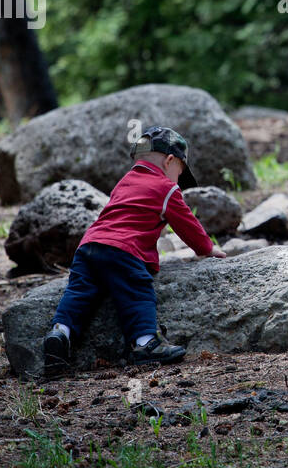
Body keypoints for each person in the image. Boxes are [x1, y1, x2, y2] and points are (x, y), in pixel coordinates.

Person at [40, 125, 225, 375]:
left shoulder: (124, 182)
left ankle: (60, 334)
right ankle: (145, 343)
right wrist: (207, 248)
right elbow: (187, 225)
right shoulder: (166, 188)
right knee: (137, 290)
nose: (178, 180)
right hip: (123, 251)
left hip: (89, 246)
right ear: (170, 160)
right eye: (179, 173)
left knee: (79, 293)